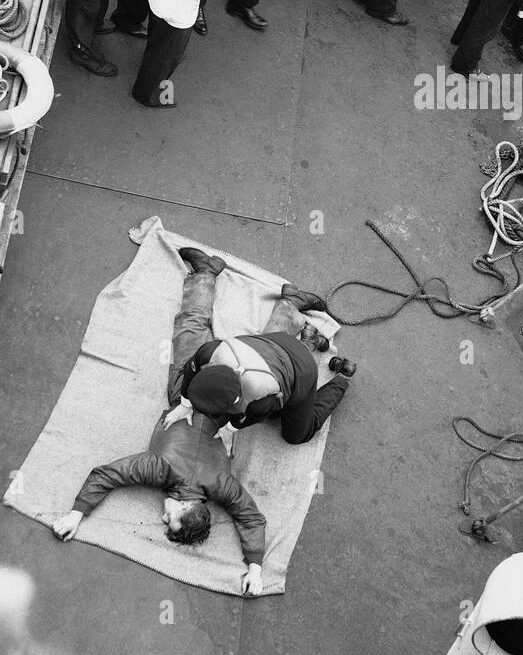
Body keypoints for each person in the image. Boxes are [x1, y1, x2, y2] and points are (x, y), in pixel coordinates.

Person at [51, 248, 267, 597]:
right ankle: (207, 272)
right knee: (192, 324)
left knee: (261, 355)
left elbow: (251, 517)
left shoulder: (222, 485)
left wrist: (255, 568)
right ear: (185, 507)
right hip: (192, 391)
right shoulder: (159, 468)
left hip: (232, 405)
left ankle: (290, 307)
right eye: (170, 518)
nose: (162, 516)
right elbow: (106, 475)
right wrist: (76, 514)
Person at [163, 281, 356, 446]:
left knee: (296, 434)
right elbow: (190, 370)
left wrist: (229, 429)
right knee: (271, 359)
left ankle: (343, 377)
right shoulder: (210, 352)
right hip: (272, 342)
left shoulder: (258, 401)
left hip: (302, 370)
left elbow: (251, 416)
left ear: (237, 401)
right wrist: (185, 405)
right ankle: (304, 335)